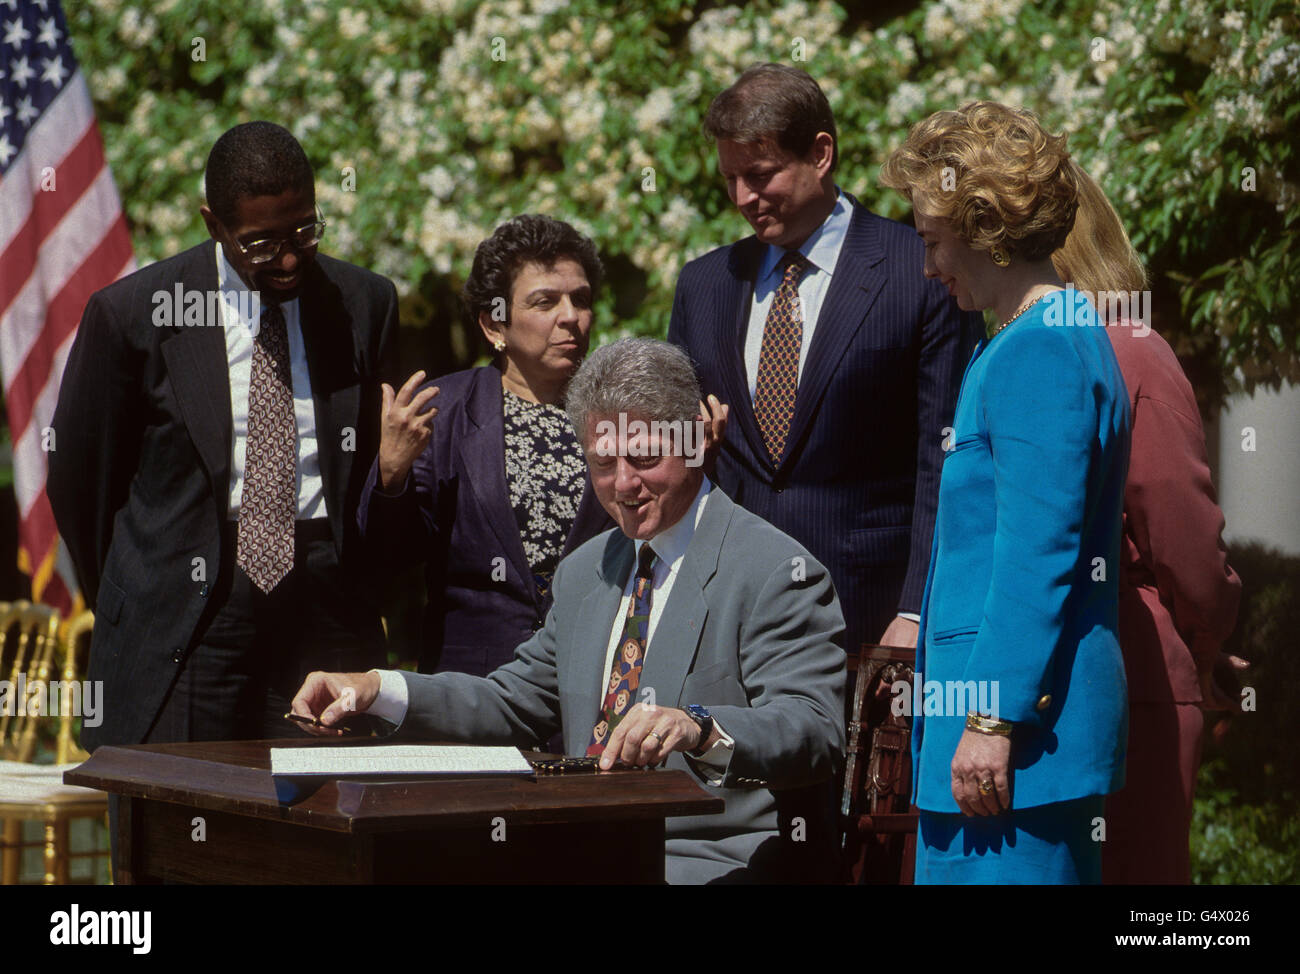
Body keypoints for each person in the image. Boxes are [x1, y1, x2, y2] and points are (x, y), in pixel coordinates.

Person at [294, 338, 847, 884]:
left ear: (696, 442)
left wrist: (699, 727)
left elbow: (813, 729)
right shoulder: (588, 569)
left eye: (646, 457)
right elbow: (515, 702)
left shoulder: (775, 570)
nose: (624, 484)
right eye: (603, 463)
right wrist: (374, 687)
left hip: (709, 859)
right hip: (573, 849)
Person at [48, 121, 396, 750]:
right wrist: (146, 591)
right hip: (186, 617)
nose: (288, 260)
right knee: (180, 826)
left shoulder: (364, 305)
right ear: (214, 225)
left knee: (323, 832)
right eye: (261, 244)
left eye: (304, 233)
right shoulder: (133, 314)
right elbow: (80, 483)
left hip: (324, 617)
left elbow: (377, 476)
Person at [878, 101, 1130, 883]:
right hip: (998, 748)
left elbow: (1035, 554)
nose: (927, 266)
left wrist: (991, 719)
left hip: (1009, 753)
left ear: (983, 223)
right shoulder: (1028, 339)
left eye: (932, 239)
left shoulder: (1040, 348)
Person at [668, 63, 981, 656]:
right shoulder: (704, 285)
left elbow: (943, 459)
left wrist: (917, 611)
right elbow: (685, 452)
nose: (743, 199)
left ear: (820, 153)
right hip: (728, 618)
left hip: (868, 616)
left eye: (760, 176)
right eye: (730, 180)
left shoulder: (921, 271)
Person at [1051, 161, 1244, 884]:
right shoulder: (1129, 348)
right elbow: (1186, 537)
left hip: (1099, 676)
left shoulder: (1071, 350)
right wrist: (1212, 628)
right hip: (1135, 674)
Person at [358, 215, 615, 677]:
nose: (570, 317)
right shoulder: (445, 410)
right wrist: (391, 476)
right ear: (495, 325)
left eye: (580, 299)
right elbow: (385, 561)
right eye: (545, 302)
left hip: (595, 679)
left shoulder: (622, 412)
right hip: (476, 685)